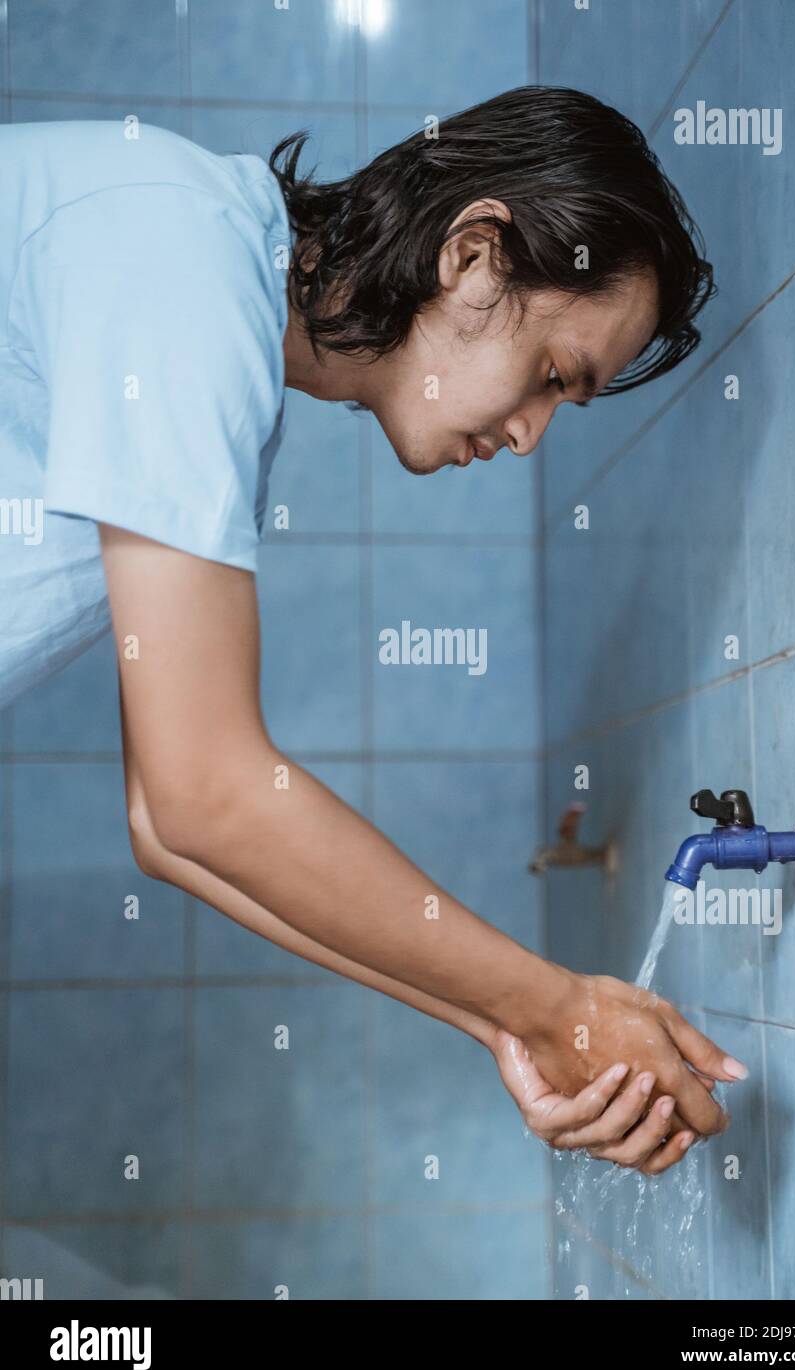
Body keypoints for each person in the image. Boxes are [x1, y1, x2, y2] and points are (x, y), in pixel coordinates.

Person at [0, 88, 744, 1177]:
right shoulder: (179, 261)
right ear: (473, 253)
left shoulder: (215, 332)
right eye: (550, 375)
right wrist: (551, 1005)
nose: (531, 436)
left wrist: (510, 1024)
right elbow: (206, 791)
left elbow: (165, 824)